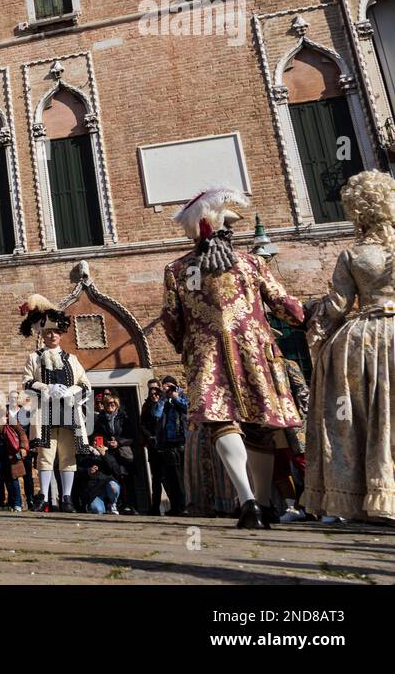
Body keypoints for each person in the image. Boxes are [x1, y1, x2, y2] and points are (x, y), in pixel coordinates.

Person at [162, 188, 306, 529]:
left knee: (223, 423)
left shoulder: (178, 270)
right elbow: (285, 306)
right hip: (254, 352)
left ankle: (248, 501)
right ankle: (264, 502)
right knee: (258, 426)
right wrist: (309, 315)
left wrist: (190, 342)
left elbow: (171, 323)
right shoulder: (252, 263)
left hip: (205, 354)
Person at [305, 171, 395, 524]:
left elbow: (338, 305)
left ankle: (360, 496)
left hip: (363, 340)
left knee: (353, 417)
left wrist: (313, 320)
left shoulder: (355, 254)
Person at [20, 295, 92, 513]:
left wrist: (71, 391)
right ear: (42, 334)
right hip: (45, 411)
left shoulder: (72, 359)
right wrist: (47, 388)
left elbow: (86, 385)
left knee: (68, 455)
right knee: (45, 455)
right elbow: (26, 382)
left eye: (55, 332)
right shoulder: (34, 358)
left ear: (60, 334)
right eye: (48, 332)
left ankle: (67, 497)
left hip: (69, 411)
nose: (52, 335)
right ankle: (43, 496)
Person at [141, 377, 188, 516]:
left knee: (181, 477)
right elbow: (156, 413)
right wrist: (163, 398)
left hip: (180, 442)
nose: (167, 388)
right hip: (167, 444)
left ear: (175, 386)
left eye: (170, 386)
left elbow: (187, 408)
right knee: (170, 477)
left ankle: (184, 506)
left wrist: (176, 397)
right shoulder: (163, 400)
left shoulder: (182, 396)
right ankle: (175, 506)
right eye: (165, 386)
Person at [0, 391, 28, 511]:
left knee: (13, 479)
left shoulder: (10, 418)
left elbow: (21, 432)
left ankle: (17, 503)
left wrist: (23, 447)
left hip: (11, 454)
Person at [96, 391, 136, 514]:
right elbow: (98, 435)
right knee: (112, 478)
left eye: (113, 404)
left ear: (117, 405)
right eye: (107, 404)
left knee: (126, 479)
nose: (110, 406)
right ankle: (114, 505)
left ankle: (130, 505)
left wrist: (118, 442)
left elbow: (132, 436)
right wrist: (105, 444)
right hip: (108, 453)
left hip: (122, 453)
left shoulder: (124, 418)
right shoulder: (100, 419)